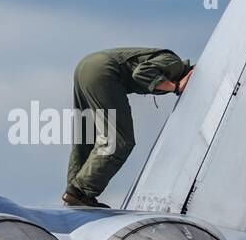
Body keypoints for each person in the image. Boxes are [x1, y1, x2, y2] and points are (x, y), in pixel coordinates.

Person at [63, 47, 193, 207]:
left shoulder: (167, 63)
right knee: (119, 141)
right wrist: (176, 87)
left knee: (86, 138)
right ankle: (80, 192)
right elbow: (142, 72)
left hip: (86, 67)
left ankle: (73, 198)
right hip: (104, 72)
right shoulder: (175, 64)